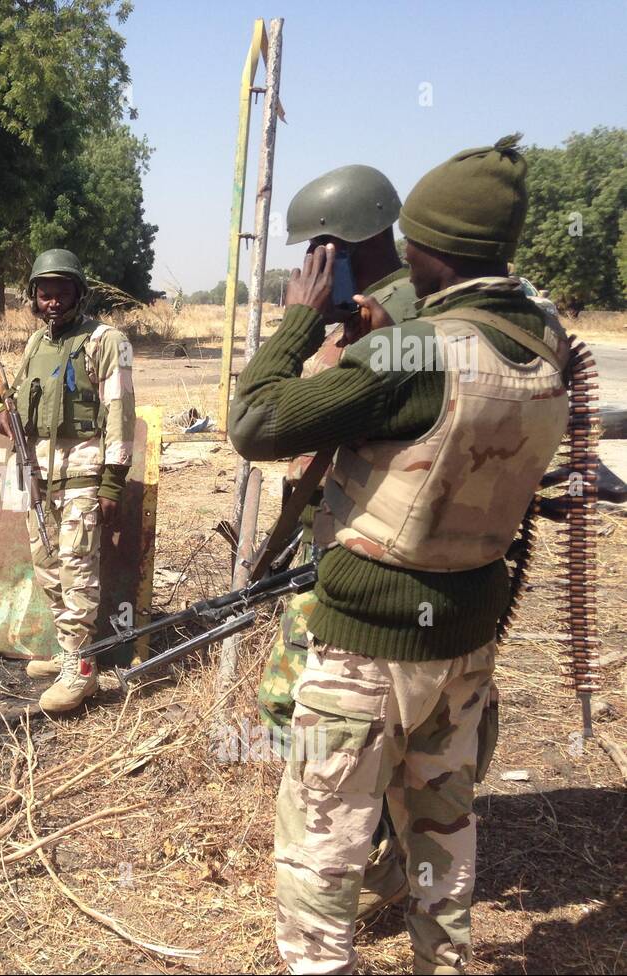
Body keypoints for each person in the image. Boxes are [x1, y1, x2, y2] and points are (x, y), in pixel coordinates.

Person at [229, 136, 569, 974]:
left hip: (369, 642)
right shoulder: (545, 340)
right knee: (442, 842)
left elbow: (256, 424)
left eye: (411, 243)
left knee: (321, 850)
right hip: (466, 634)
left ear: (434, 251)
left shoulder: (418, 352)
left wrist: (303, 319)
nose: (404, 256)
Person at [255, 164, 416, 923]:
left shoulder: (400, 332)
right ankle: (381, 847)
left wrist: (297, 323)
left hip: (365, 561)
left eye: (319, 250)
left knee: (297, 707)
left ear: (353, 243)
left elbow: (256, 422)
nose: (311, 268)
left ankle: (346, 859)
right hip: (373, 551)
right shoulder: (378, 322)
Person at [0, 249, 135, 713]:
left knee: (78, 568)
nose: (52, 302)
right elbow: (15, 397)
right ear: (34, 298)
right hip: (39, 474)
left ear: (79, 293)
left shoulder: (105, 340)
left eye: (61, 293)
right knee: (47, 564)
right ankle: (66, 649)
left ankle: (82, 669)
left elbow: (119, 410)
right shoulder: (37, 344)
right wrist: (6, 415)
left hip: (84, 471)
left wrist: (113, 482)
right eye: (44, 294)